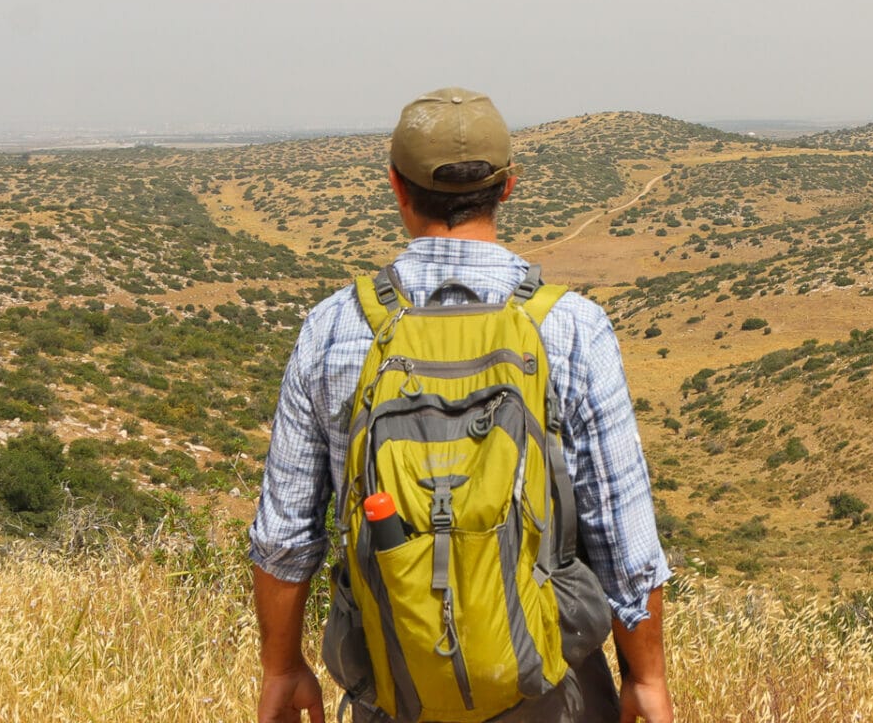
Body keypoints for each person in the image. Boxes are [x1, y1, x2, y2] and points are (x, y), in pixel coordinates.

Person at [249, 87, 673, 723]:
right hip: (549, 689)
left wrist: (283, 669)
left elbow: (284, 538)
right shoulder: (571, 328)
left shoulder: (334, 328)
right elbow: (622, 537)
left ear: (396, 186)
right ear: (508, 187)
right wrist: (646, 677)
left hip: (394, 686)